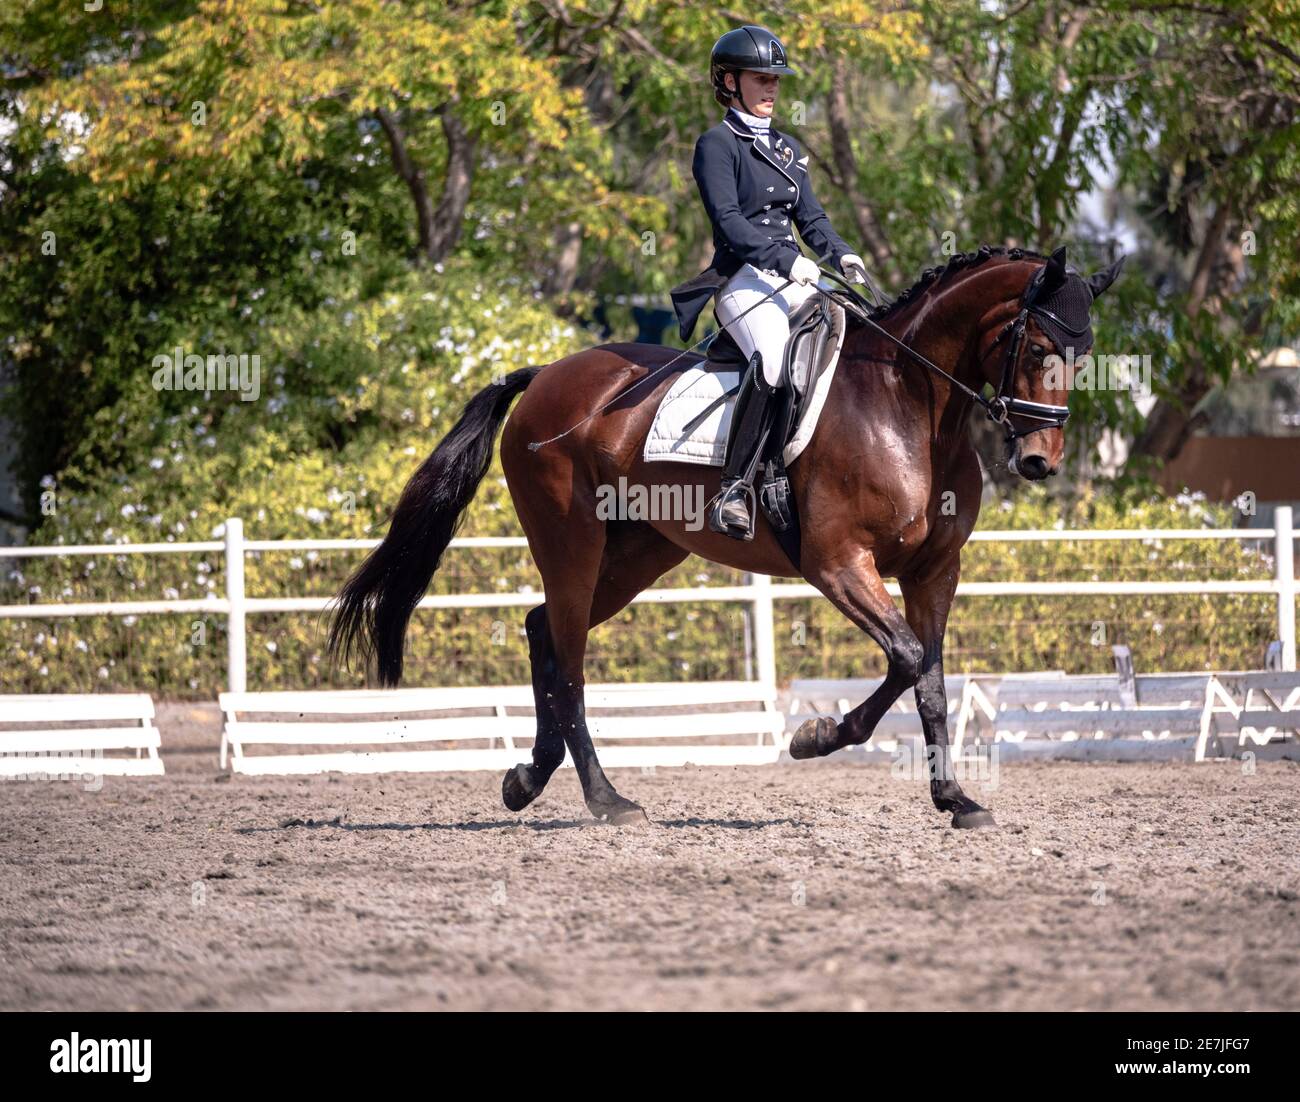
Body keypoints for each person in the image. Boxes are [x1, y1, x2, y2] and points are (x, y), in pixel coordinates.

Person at [671, 24, 868, 540]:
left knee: (858, 339)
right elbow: (729, 222)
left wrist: (842, 254)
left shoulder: (788, 148)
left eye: (776, 80)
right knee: (777, 359)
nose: (772, 89)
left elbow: (814, 219)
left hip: (796, 277)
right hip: (743, 280)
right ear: (729, 82)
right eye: (761, 79)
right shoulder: (717, 145)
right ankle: (736, 487)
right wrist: (786, 260)